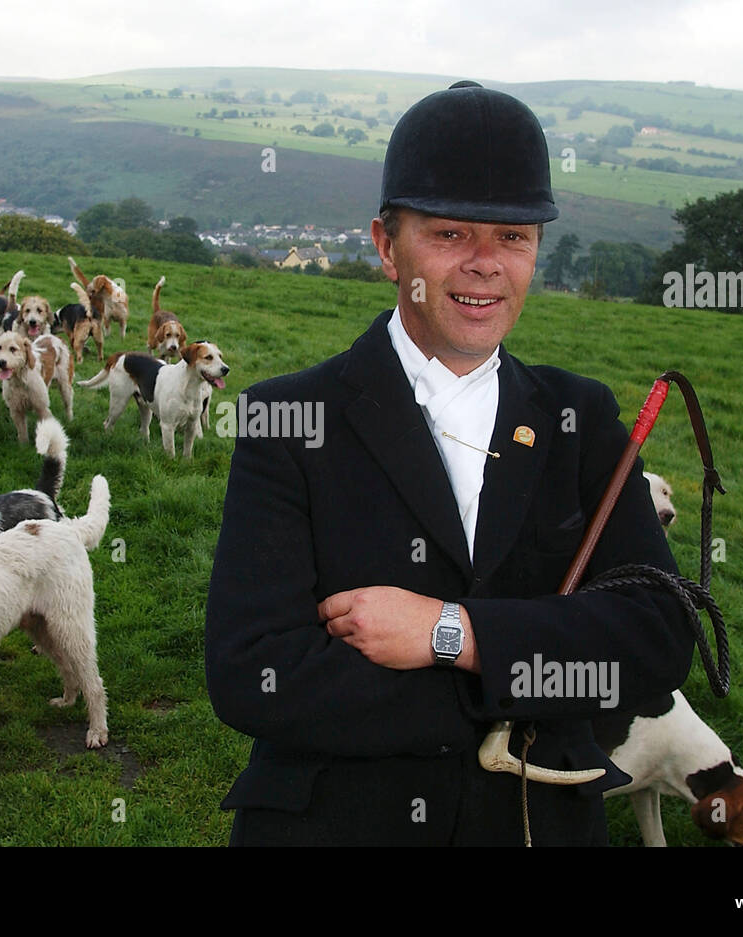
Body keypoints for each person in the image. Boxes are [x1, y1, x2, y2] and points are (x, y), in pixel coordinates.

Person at [204, 82, 694, 846]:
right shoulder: (287, 419)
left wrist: (453, 633)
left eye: (514, 238)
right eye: (450, 234)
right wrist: (530, 680)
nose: (485, 266)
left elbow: (657, 641)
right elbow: (255, 675)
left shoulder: (583, 419)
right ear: (385, 245)